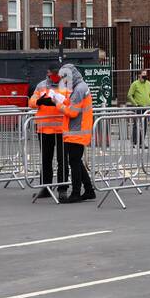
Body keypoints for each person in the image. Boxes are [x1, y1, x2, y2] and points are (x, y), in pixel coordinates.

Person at [29, 64, 70, 199]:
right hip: (44, 128)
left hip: (61, 129)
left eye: (54, 74)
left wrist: (58, 102)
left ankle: (62, 189)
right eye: (50, 73)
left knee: (62, 160)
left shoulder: (66, 85)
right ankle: (45, 188)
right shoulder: (41, 85)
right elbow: (31, 101)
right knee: (45, 160)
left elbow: (70, 102)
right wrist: (40, 101)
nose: (51, 76)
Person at [58, 62, 97, 203]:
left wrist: (59, 104)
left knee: (74, 163)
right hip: (77, 131)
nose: (64, 81)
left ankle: (76, 193)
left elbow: (73, 112)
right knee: (77, 161)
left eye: (64, 77)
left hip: (77, 131)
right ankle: (89, 190)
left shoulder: (79, 89)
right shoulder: (80, 87)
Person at [127, 68, 150, 148]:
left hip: (146, 108)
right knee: (137, 125)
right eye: (143, 74)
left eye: (146, 74)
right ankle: (134, 142)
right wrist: (135, 104)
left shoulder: (148, 83)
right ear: (139, 75)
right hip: (138, 107)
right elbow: (129, 95)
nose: (145, 75)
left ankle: (141, 143)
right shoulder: (135, 84)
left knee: (145, 125)